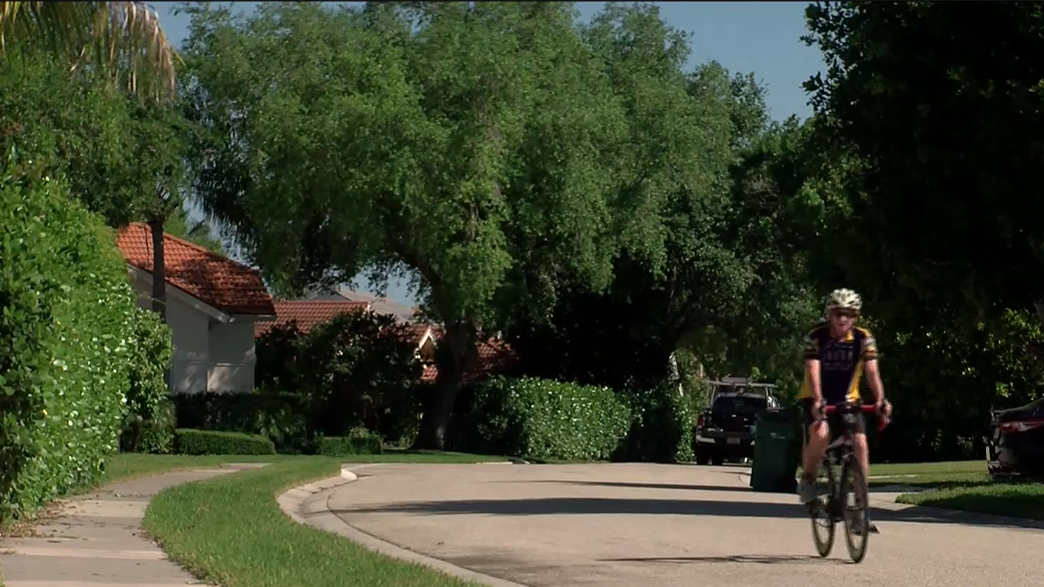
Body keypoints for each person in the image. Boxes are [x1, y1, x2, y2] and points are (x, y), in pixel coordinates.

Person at [795, 288, 891, 532]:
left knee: (860, 442)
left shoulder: (863, 338)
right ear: (829, 314)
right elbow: (812, 369)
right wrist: (818, 400)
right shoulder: (816, 336)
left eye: (848, 314)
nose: (842, 319)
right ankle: (808, 479)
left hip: (849, 399)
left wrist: (880, 399)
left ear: (855, 317)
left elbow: (872, 372)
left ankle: (860, 507)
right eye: (837, 313)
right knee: (821, 432)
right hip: (816, 397)